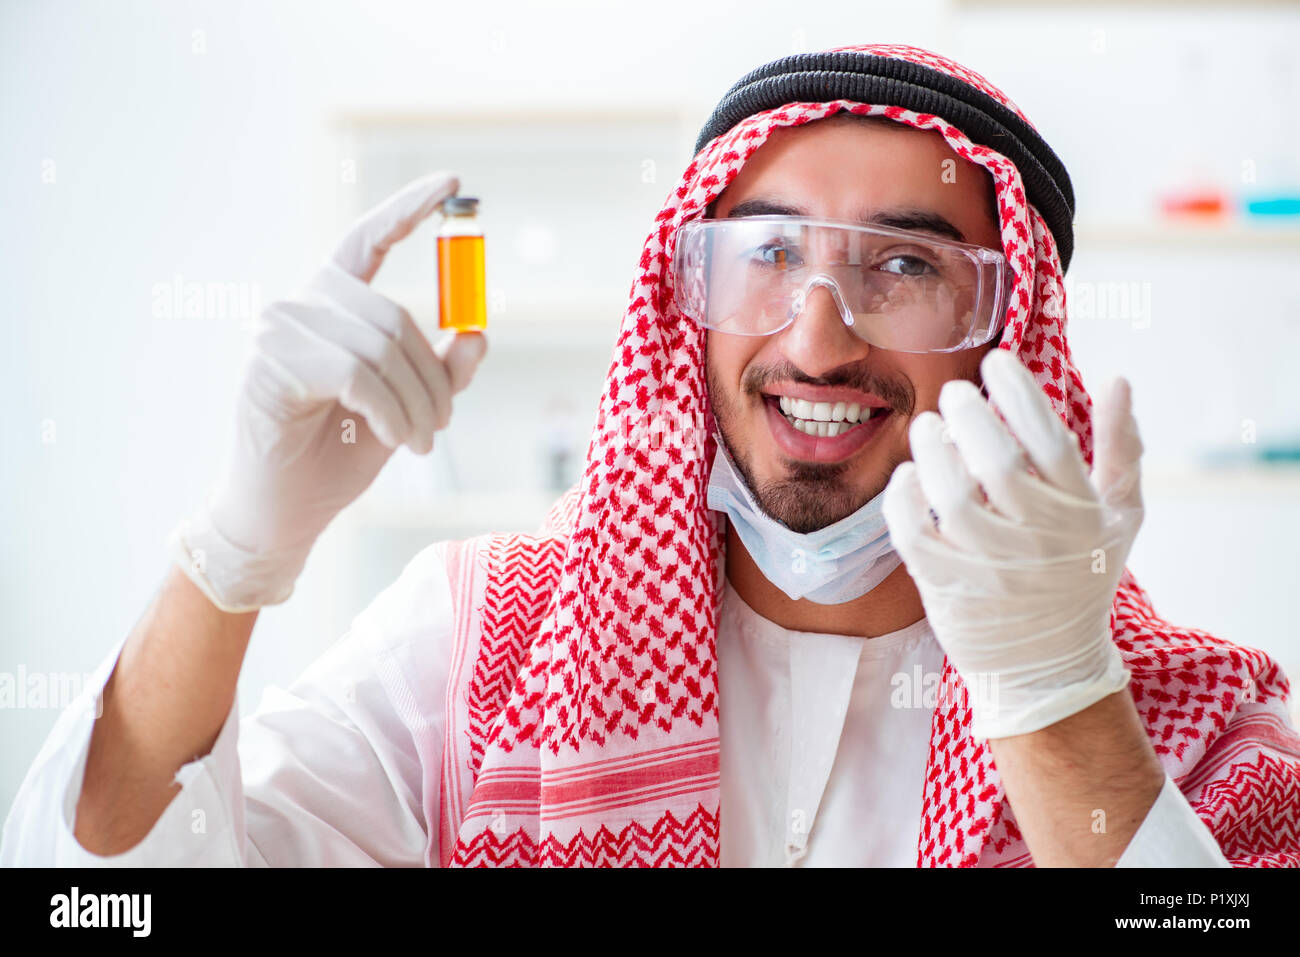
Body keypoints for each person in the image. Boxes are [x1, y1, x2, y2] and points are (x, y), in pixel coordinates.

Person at [4, 42, 1297, 868]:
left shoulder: (1195, 725)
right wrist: (234, 554)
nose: (817, 332)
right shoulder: (484, 645)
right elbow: (101, 891)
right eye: (768, 255)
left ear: (1015, 331)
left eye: (905, 265)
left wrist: (1054, 692)